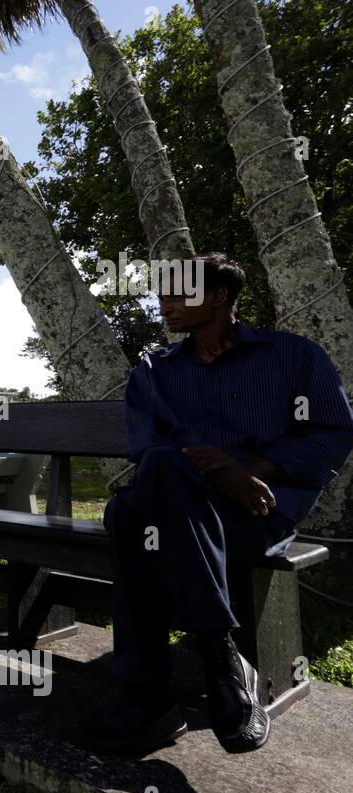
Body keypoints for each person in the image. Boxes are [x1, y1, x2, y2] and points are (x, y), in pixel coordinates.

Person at [86, 253, 353, 756]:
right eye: (159, 293)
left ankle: (146, 699)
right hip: (174, 507)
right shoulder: (156, 369)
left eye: (177, 292)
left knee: (128, 517)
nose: (163, 303)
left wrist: (248, 470)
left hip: (255, 511)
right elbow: (147, 451)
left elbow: (331, 433)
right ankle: (222, 655)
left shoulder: (294, 356)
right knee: (154, 482)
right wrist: (218, 471)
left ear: (217, 297)